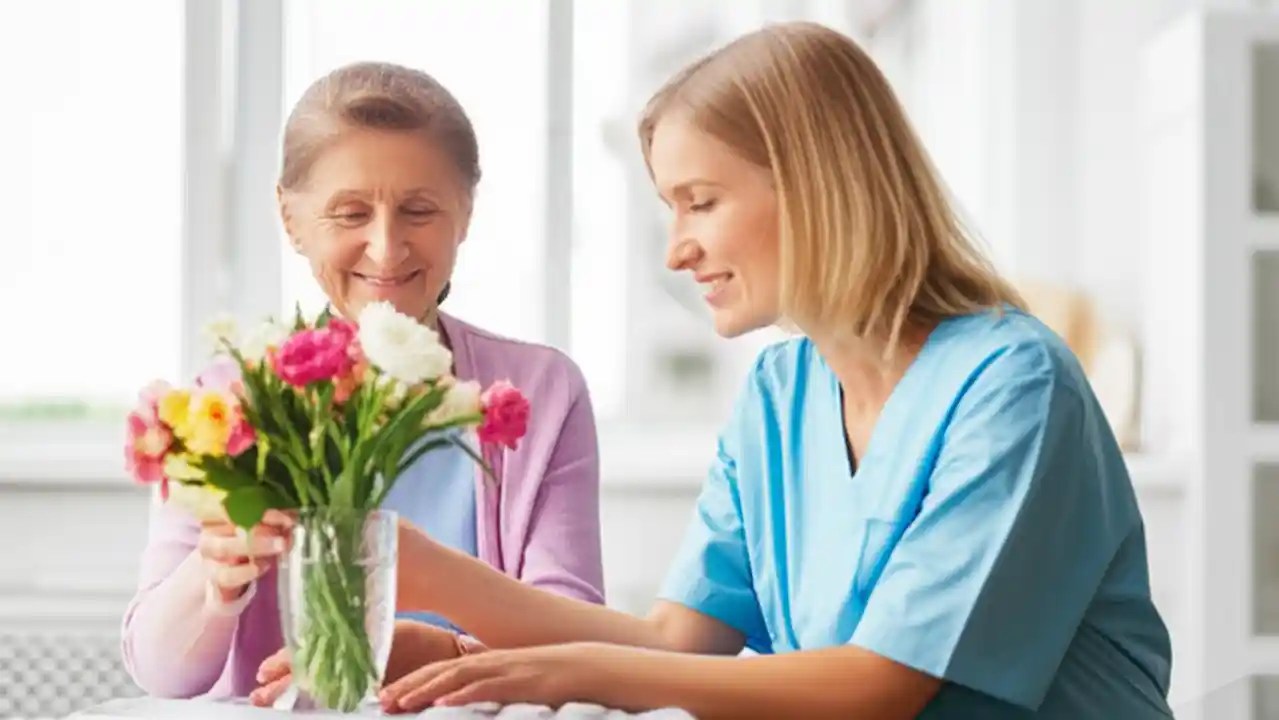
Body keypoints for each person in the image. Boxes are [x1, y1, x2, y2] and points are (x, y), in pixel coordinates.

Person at [354, 22, 1175, 719]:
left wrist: (561, 671)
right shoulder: (782, 392)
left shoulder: (1012, 386)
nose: (677, 250)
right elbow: (676, 640)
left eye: (700, 201)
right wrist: (449, 608)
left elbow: (881, 684)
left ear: (818, 184)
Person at [120, 61, 606, 702]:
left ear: (466, 213)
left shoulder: (539, 393)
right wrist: (212, 582)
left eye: (420, 210)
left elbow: (579, 642)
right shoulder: (229, 401)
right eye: (350, 214)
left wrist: (447, 656)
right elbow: (161, 673)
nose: (386, 248)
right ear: (290, 217)